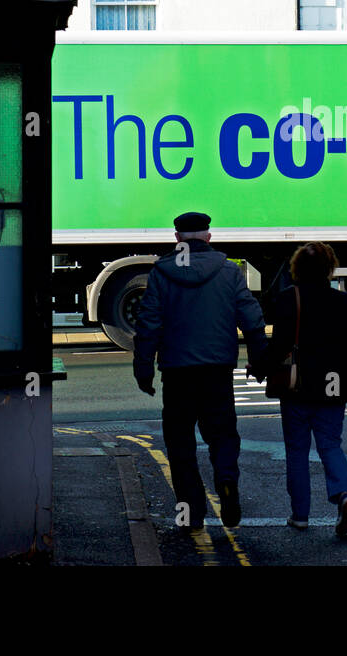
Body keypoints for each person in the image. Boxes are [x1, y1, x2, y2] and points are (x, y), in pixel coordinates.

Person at [133, 212, 268, 533]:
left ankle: (192, 512)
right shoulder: (228, 271)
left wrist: (143, 370)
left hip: (177, 374)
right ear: (208, 237)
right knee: (222, 435)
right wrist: (260, 361)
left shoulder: (161, 273)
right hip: (217, 371)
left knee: (180, 444)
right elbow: (252, 319)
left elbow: (148, 324)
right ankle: (225, 480)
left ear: (177, 238)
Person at [255, 242, 347, 535]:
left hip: (297, 388)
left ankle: (300, 515)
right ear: (329, 268)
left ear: (296, 268)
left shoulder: (287, 299)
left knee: (297, 450)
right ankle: (344, 495)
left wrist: (259, 369)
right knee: (331, 445)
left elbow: (279, 347)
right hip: (333, 387)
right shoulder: (343, 301)